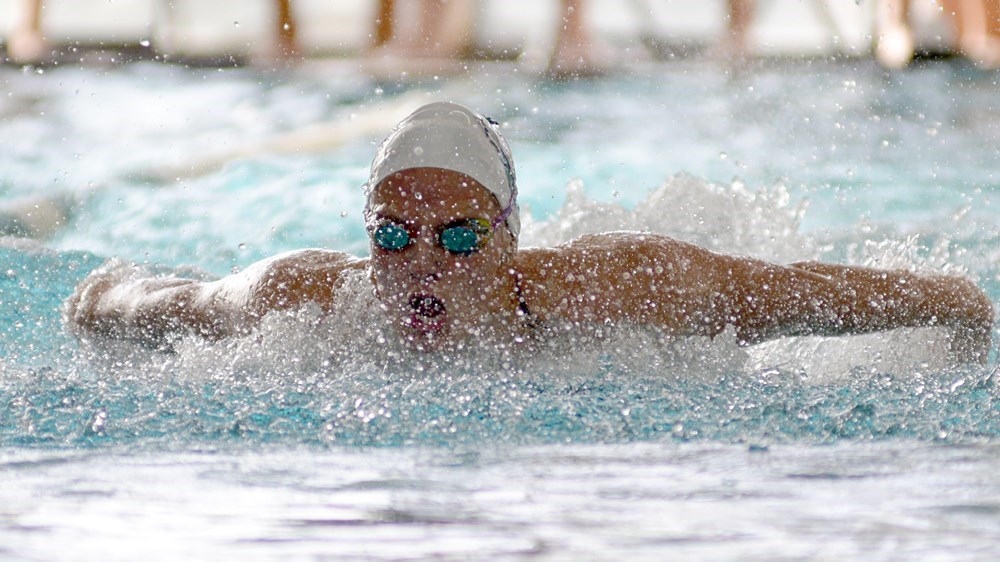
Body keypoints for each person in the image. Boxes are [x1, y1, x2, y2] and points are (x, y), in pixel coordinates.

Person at [64, 102, 995, 364]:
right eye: (395, 238)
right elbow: (135, 301)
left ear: (508, 238)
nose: (424, 263)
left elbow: (795, 295)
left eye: (460, 239)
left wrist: (959, 305)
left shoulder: (623, 290)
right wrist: (95, 302)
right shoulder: (301, 299)